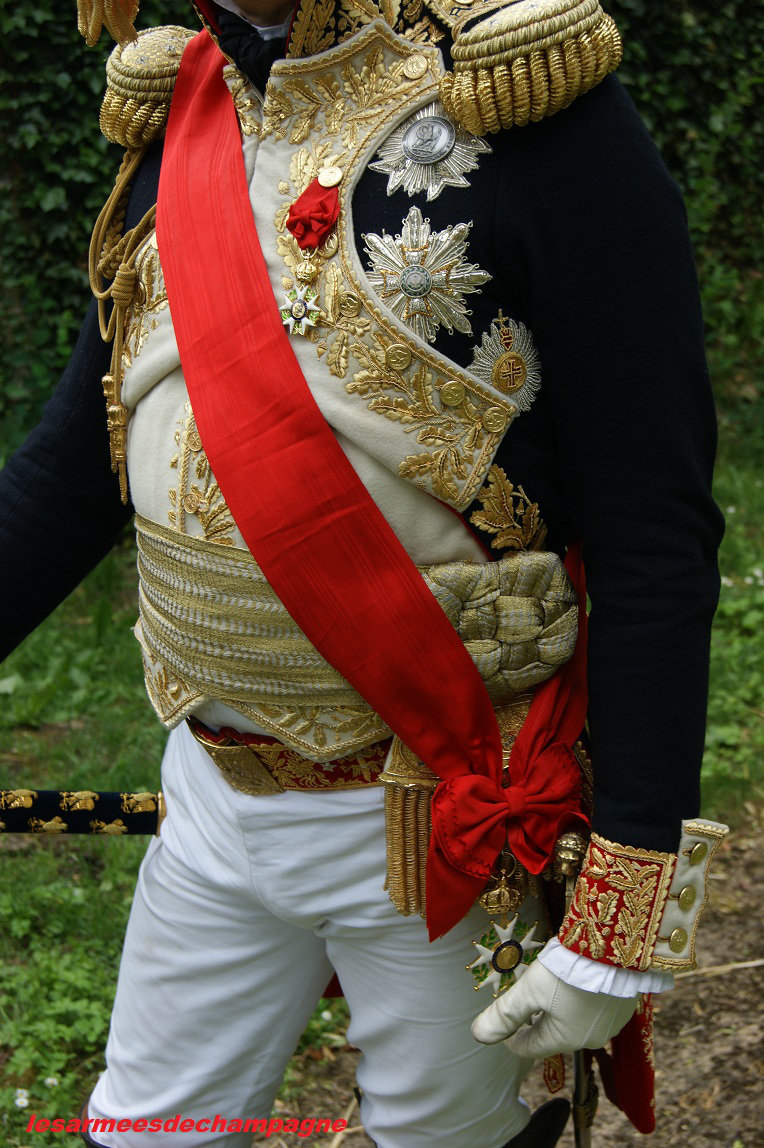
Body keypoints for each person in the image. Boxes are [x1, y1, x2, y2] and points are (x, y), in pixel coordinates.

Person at [0, 1, 728, 1146]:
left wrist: (622, 910)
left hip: (441, 807)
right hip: (209, 787)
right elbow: (69, 474)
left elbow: (653, 534)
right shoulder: (182, 105)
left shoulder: (525, 100)